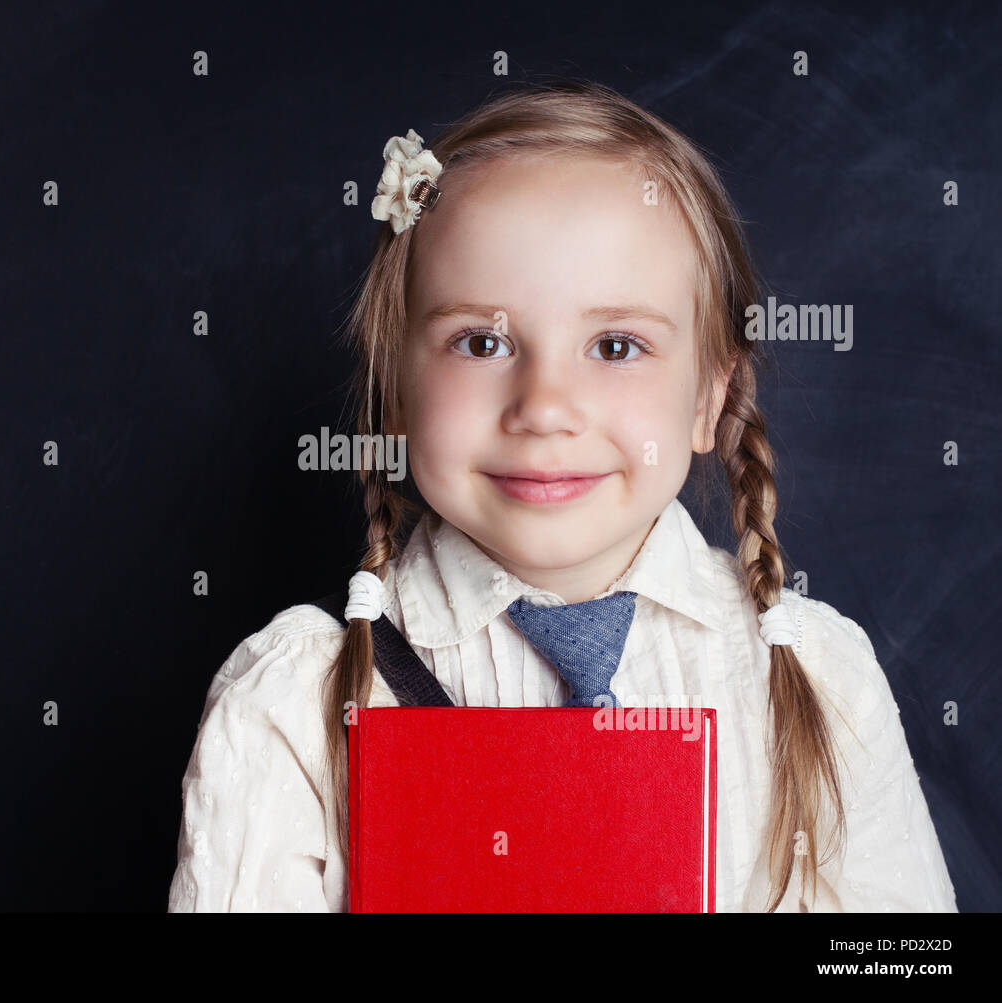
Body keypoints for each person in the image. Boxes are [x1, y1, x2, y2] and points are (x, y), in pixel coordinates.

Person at [167, 81, 957, 913]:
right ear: (396, 387)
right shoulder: (296, 699)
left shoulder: (815, 678)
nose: (543, 405)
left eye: (616, 345)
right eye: (482, 341)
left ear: (707, 399)